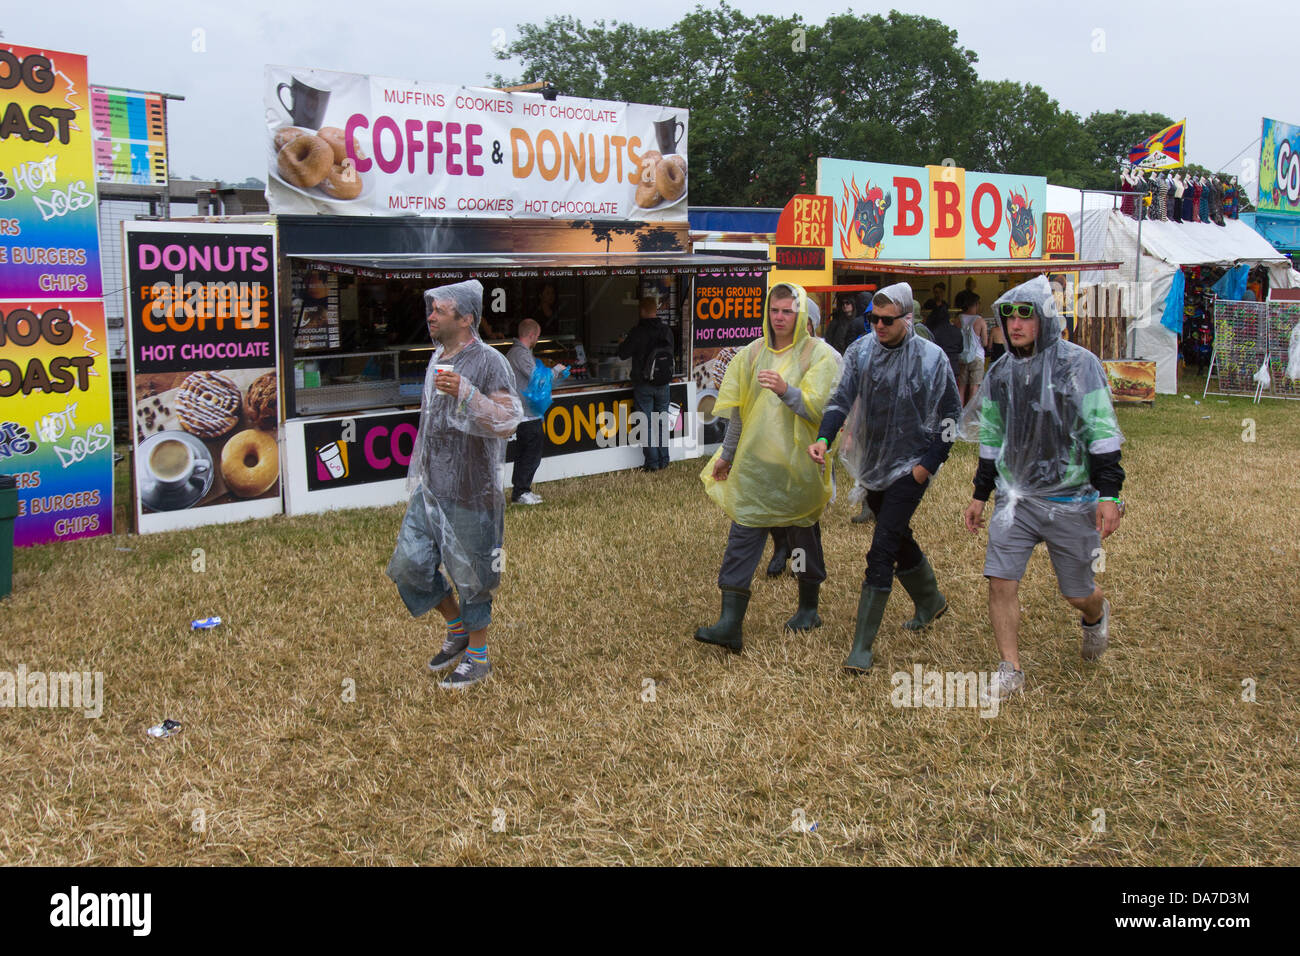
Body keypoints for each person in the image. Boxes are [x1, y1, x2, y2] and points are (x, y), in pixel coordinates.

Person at [960, 275, 1126, 702]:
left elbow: (1102, 432)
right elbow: (992, 438)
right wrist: (981, 493)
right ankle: (1009, 668)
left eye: (1026, 314)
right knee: (1000, 581)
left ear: (1045, 318)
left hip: (1071, 499)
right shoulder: (1000, 374)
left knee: (1077, 593)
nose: (1015, 323)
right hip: (1015, 499)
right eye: (1008, 314)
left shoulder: (1079, 364)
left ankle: (1095, 614)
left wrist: (1109, 494)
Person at [809, 282, 961, 673]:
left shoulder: (932, 358)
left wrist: (927, 464)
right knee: (896, 536)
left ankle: (862, 648)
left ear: (907, 318)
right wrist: (825, 438)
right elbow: (841, 399)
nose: (878, 325)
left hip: (912, 466)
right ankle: (930, 600)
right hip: (873, 465)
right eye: (872, 318)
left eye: (887, 320)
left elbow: (949, 416)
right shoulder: (860, 352)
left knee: (881, 547)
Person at [386, 280, 524, 690]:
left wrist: (468, 393)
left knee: (473, 575)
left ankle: (478, 658)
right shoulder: (436, 357)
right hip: (432, 486)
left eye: (439, 310)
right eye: (431, 310)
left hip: (471, 490)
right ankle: (457, 627)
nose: (429, 316)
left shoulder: (489, 362)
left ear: (465, 318)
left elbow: (508, 420)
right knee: (410, 567)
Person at [695, 282, 842, 652]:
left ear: (801, 313)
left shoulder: (819, 356)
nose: (779, 318)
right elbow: (739, 413)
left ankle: (808, 608)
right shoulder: (753, 353)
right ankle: (730, 623)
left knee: (801, 538)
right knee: (743, 532)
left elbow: (821, 412)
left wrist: (785, 390)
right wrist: (727, 456)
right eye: (774, 310)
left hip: (798, 468)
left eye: (787, 311)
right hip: (756, 466)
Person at [506, 318, 567, 505]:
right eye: (537, 336)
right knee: (531, 453)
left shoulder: (519, 353)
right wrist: (556, 371)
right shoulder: (520, 354)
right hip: (525, 414)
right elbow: (537, 379)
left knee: (526, 453)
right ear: (531, 335)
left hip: (526, 412)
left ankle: (521, 490)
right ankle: (521, 492)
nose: (537, 340)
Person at [618, 296, 676, 472]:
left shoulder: (638, 332)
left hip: (644, 384)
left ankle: (652, 463)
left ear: (642, 311)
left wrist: (623, 342)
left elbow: (622, 354)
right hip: (664, 383)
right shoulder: (666, 331)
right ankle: (664, 459)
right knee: (662, 422)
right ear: (655, 310)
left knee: (645, 423)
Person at [956, 294, 989, 405]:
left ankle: (959, 413)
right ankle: (969, 416)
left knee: (961, 386)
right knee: (974, 387)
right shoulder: (980, 321)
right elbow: (985, 342)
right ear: (975, 304)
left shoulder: (958, 319)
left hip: (962, 357)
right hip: (977, 356)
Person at [925, 295, 963, 382]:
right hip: (954, 367)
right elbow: (961, 349)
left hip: (938, 366)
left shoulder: (933, 332)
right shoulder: (956, 330)